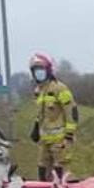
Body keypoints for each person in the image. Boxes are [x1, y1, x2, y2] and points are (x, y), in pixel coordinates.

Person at [28, 53, 78, 181]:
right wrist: (36, 127)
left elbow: (71, 111)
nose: (38, 73)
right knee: (42, 170)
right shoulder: (38, 91)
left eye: (41, 70)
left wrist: (69, 135)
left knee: (59, 174)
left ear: (48, 70)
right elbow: (41, 113)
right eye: (35, 71)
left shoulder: (59, 88)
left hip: (60, 142)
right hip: (44, 141)